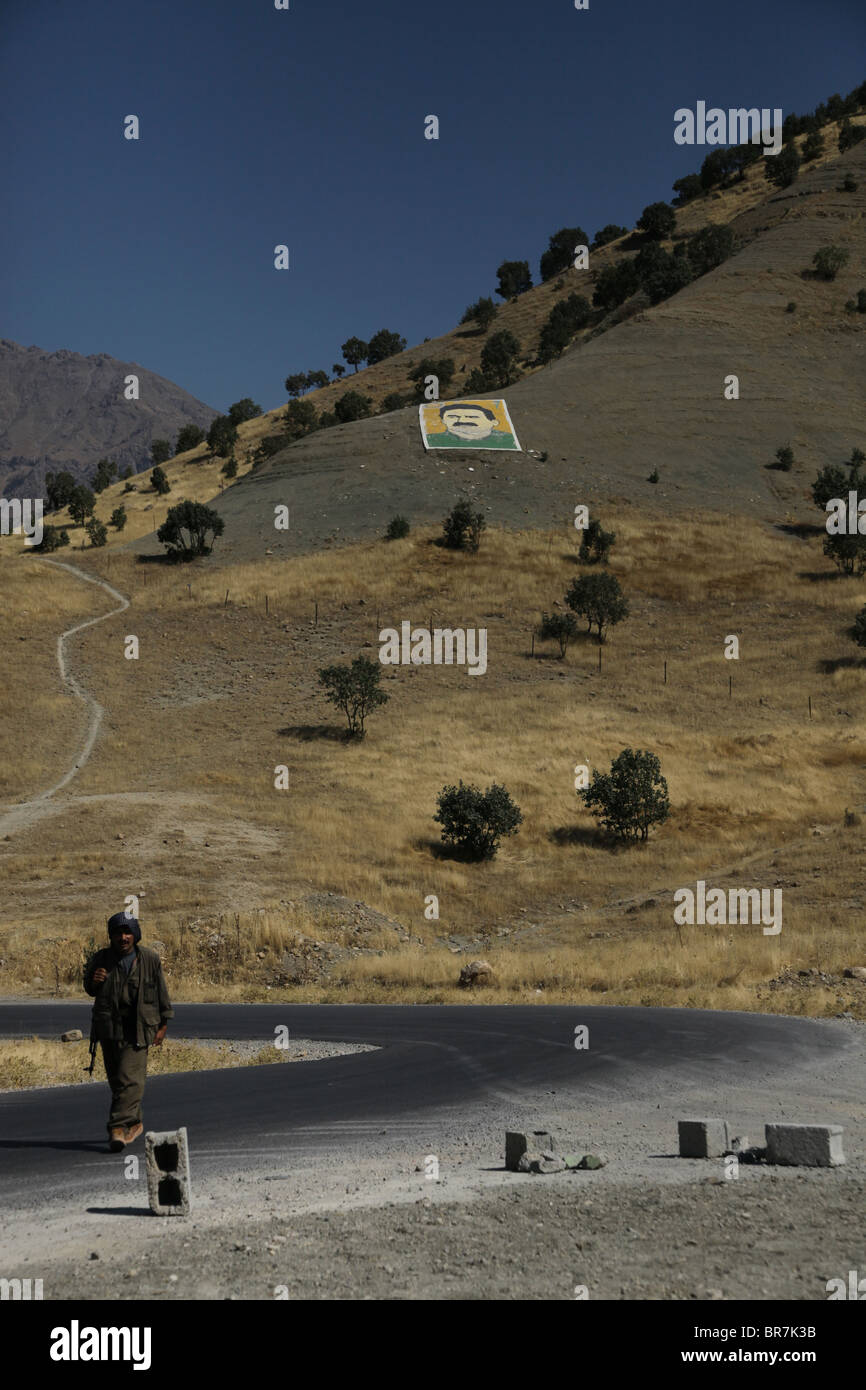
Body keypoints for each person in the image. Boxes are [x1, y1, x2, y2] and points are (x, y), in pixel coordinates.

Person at [84, 911, 173, 1153]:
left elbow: (161, 993)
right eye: (118, 933)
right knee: (117, 1082)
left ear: (135, 935)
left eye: (127, 933)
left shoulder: (150, 959)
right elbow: (89, 989)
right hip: (109, 1029)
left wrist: (163, 1024)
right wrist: (95, 979)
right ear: (111, 936)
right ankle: (134, 1122)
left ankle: (117, 1128)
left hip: (139, 1029)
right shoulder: (101, 958)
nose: (123, 938)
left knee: (130, 1080)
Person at [426, 402, 518, 448]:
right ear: (443, 421)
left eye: (472, 417)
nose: (462, 420)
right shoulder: (433, 438)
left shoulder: (507, 439)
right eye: (453, 416)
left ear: (494, 422)